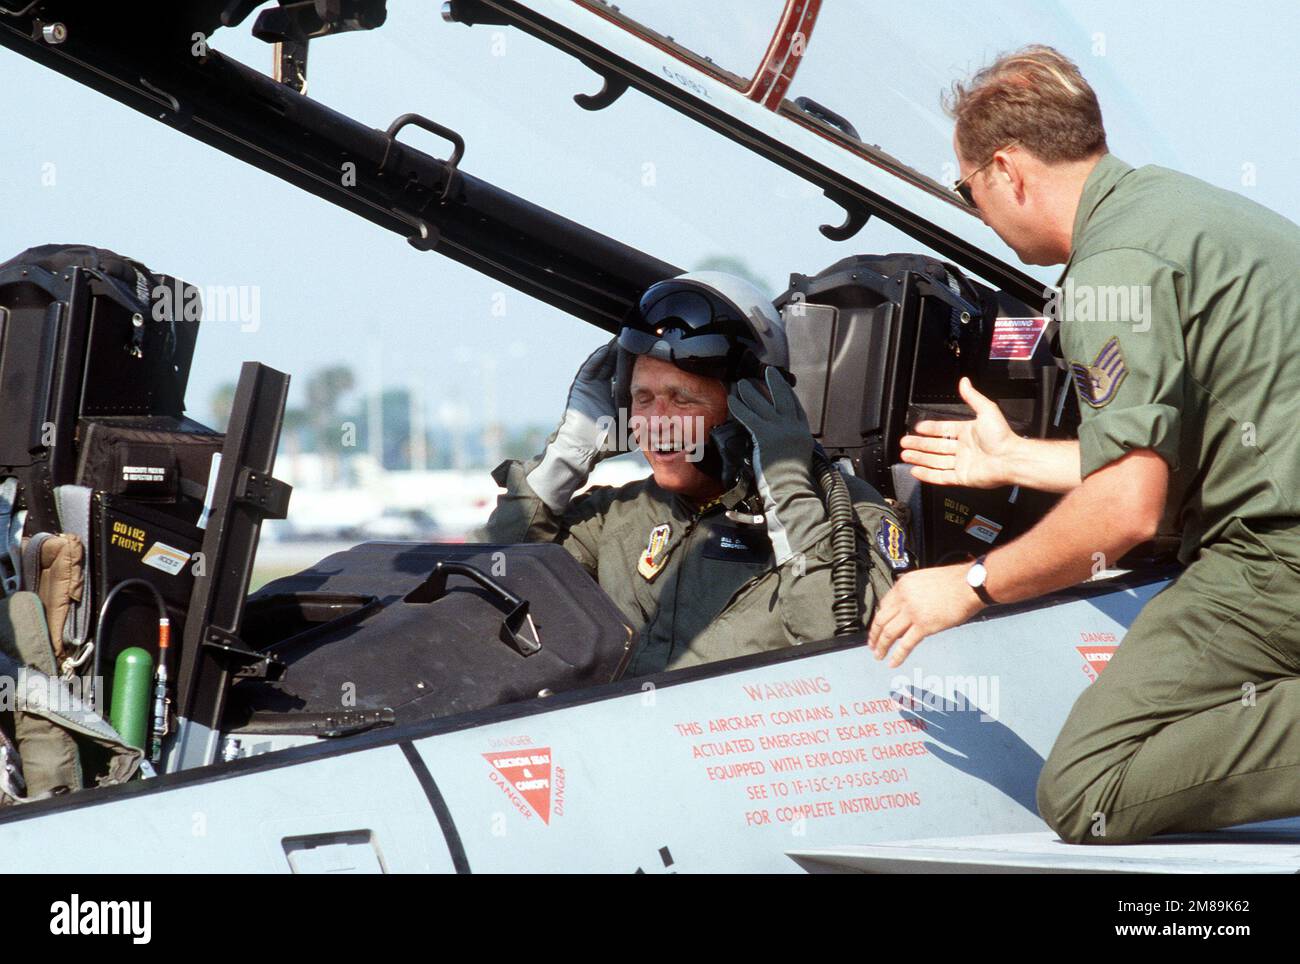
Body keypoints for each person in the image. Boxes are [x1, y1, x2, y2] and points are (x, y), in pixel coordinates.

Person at [868, 44, 1300, 844]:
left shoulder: (1114, 270)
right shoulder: (1177, 212)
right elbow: (1177, 458)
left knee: (1086, 790)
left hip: (1279, 563)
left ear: (1008, 170)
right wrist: (1014, 461)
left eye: (969, 192)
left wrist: (968, 585)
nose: (979, 211)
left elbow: (1129, 511)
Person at [481, 271, 905, 674]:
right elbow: (504, 576)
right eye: (642, 398)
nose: (659, 422)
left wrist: (786, 489)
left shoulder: (852, 517)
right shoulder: (625, 517)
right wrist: (568, 452)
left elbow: (841, 647)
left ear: (751, 405)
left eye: (682, 399)